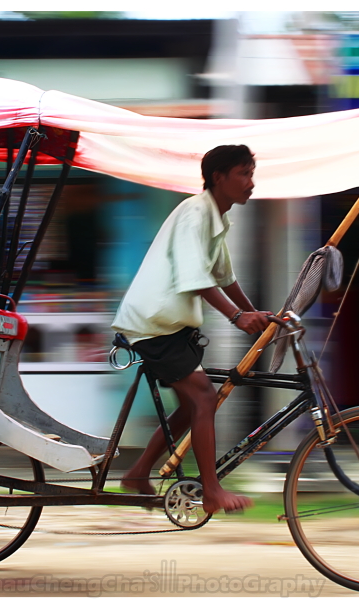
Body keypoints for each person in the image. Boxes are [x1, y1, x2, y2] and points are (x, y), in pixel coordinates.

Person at [111, 144, 272, 514]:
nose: (251, 182)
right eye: (244, 173)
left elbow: (224, 277)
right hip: (154, 323)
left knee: (193, 404)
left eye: (251, 173)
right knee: (203, 398)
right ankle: (212, 491)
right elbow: (195, 278)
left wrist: (257, 314)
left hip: (169, 325)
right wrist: (237, 317)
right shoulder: (195, 213)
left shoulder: (215, 217)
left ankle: (138, 473)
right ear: (219, 177)